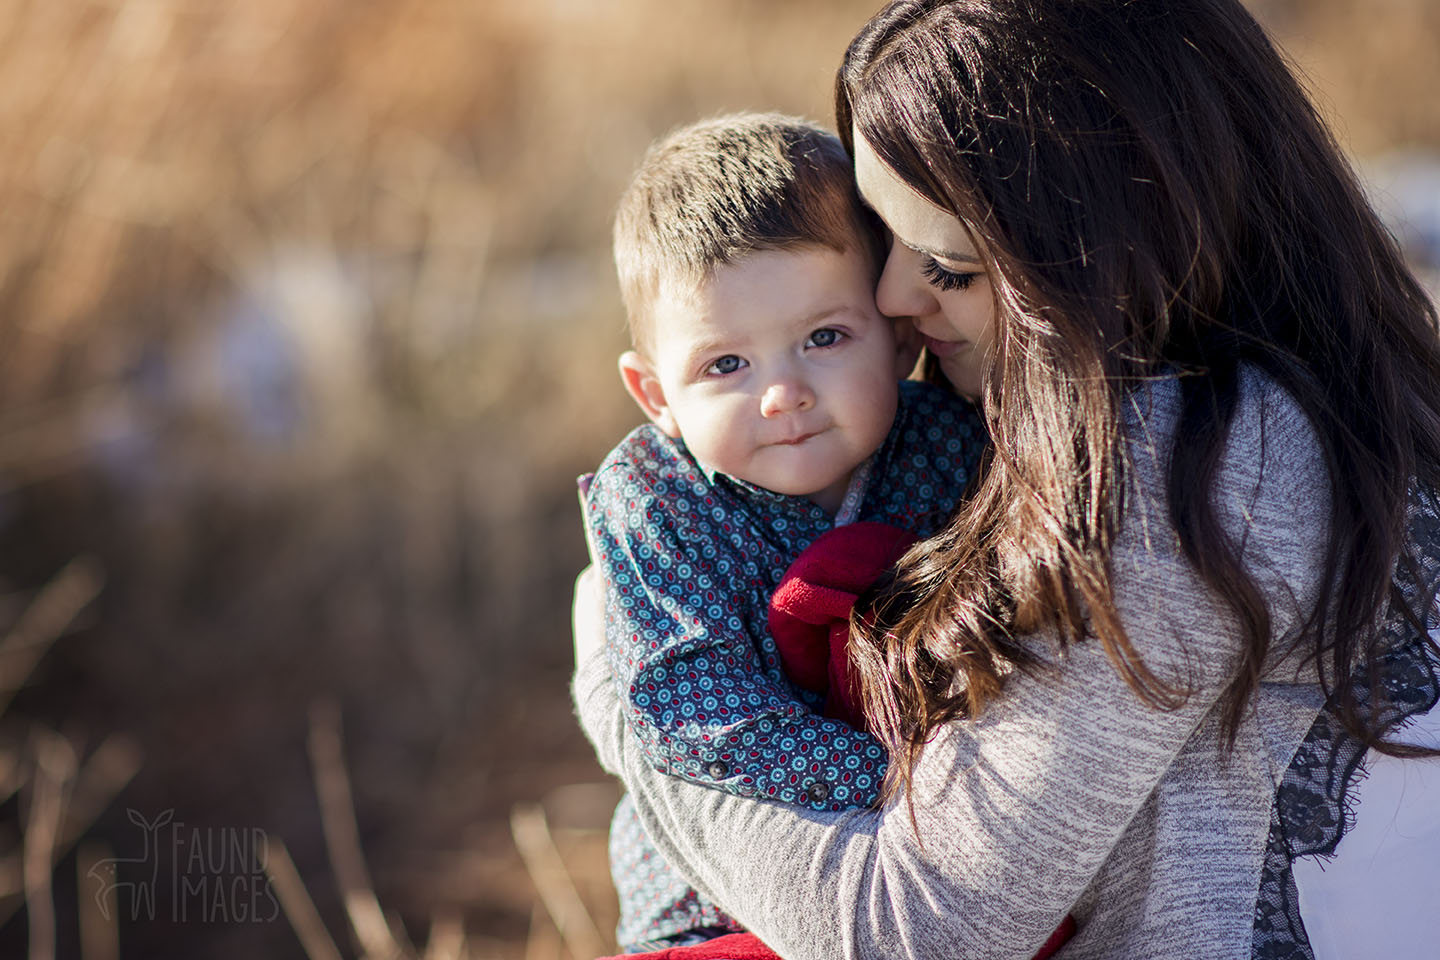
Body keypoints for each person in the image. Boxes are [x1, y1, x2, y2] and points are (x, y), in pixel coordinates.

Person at [573, 2, 1440, 958]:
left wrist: (626, 696)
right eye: (887, 245)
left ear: (1097, 245)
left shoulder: (1188, 466)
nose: (895, 301)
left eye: (944, 266)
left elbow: (916, 932)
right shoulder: (1307, 392)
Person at [583, 113, 987, 950]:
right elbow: (687, 703)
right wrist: (897, 786)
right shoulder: (656, 499)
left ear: (901, 336)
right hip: (715, 898)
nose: (783, 394)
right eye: (726, 365)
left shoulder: (951, 443)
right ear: (656, 396)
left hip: (944, 869)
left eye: (824, 338)